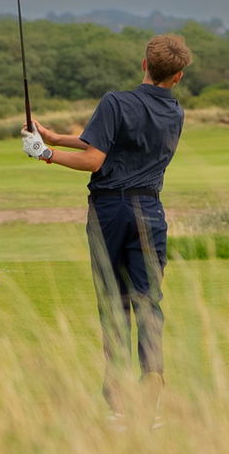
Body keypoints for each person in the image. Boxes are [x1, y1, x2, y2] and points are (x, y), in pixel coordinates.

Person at [20, 34, 192, 421]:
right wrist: (56, 137)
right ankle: (152, 378)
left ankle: (117, 397)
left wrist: (46, 154)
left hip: (112, 210)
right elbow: (106, 143)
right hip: (151, 210)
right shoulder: (175, 111)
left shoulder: (117, 102)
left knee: (115, 305)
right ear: (177, 76)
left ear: (144, 64)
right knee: (148, 301)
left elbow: (96, 159)